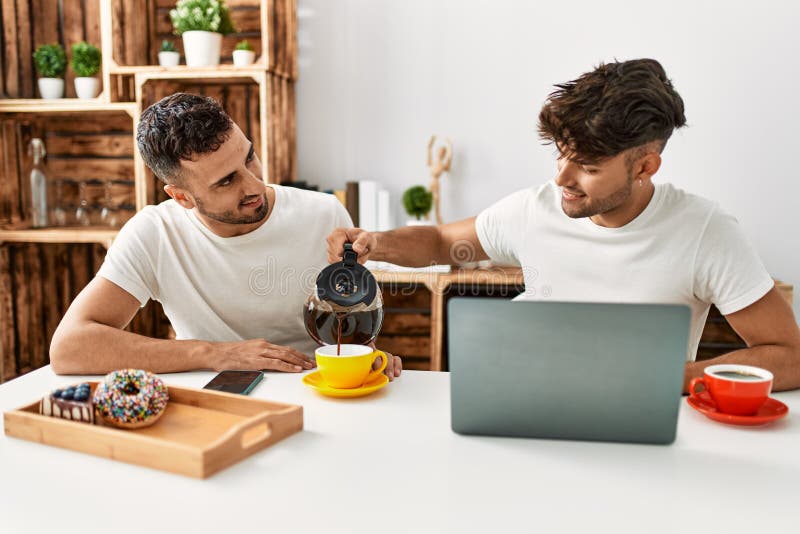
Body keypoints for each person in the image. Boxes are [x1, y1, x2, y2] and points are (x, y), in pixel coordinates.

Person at [327, 59, 800, 391]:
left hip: (637, 419)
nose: (561, 178)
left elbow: (788, 354)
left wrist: (671, 379)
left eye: (588, 166)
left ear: (645, 166)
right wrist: (378, 242)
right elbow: (440, 241)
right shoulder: (535, 208)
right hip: (521, 401)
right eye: (560, 154)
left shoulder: (705, 231)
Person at [49, 93, 402, 379]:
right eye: (226, 181)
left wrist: (365, 358)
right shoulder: (155, 234)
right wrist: (215, 353)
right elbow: (70, 347)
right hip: (216, 401)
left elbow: (354, 326)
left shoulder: (324, 214)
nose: (254, 186)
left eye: (249, 159)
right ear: (182, 197)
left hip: (317, 392)